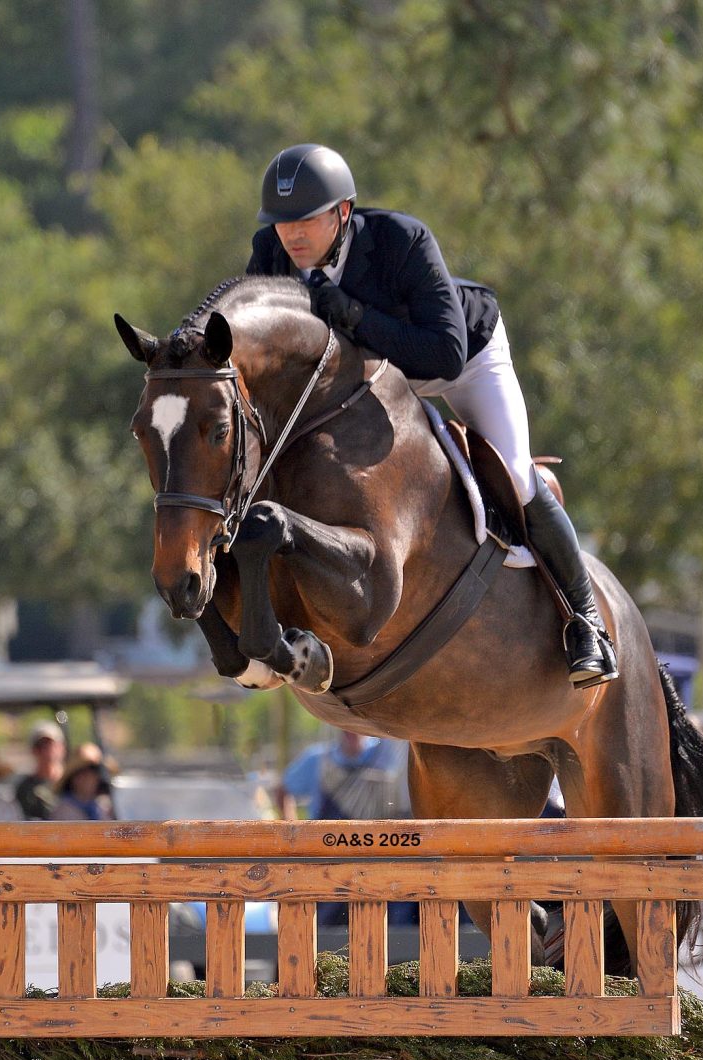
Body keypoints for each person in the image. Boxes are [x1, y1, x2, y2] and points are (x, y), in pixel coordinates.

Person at [249, 143, 617, 689]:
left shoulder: (401, 240)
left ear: (343, 212)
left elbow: (444, 352)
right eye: (283, 223)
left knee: (515, 475)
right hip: (371, 374)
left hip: (463, 361)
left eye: (306, 220)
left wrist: (356, 316)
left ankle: (586, 624)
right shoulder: (271, 254)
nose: (292, 235)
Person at [278, 728, 415, 926]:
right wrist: (293, 835)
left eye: (356, 725)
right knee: (325, 933)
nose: (352, 731)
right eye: (346, 725)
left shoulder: (387, 755)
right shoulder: (318, 760)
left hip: (379, 863)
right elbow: (283, 790)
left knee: (392, 929)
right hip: (328, 865)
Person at [15, 720, 68, 820]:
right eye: (41, 746)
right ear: (33, 750)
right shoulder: (25, 789)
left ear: (62, 748)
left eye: (52, 745)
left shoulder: (74, 783)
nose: (47, 751)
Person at [50, 743, 115, 821]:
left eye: (93, 771)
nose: (88, 778)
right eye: (82, 772)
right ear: (73, 778)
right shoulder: (63, 811)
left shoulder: (104, 807)